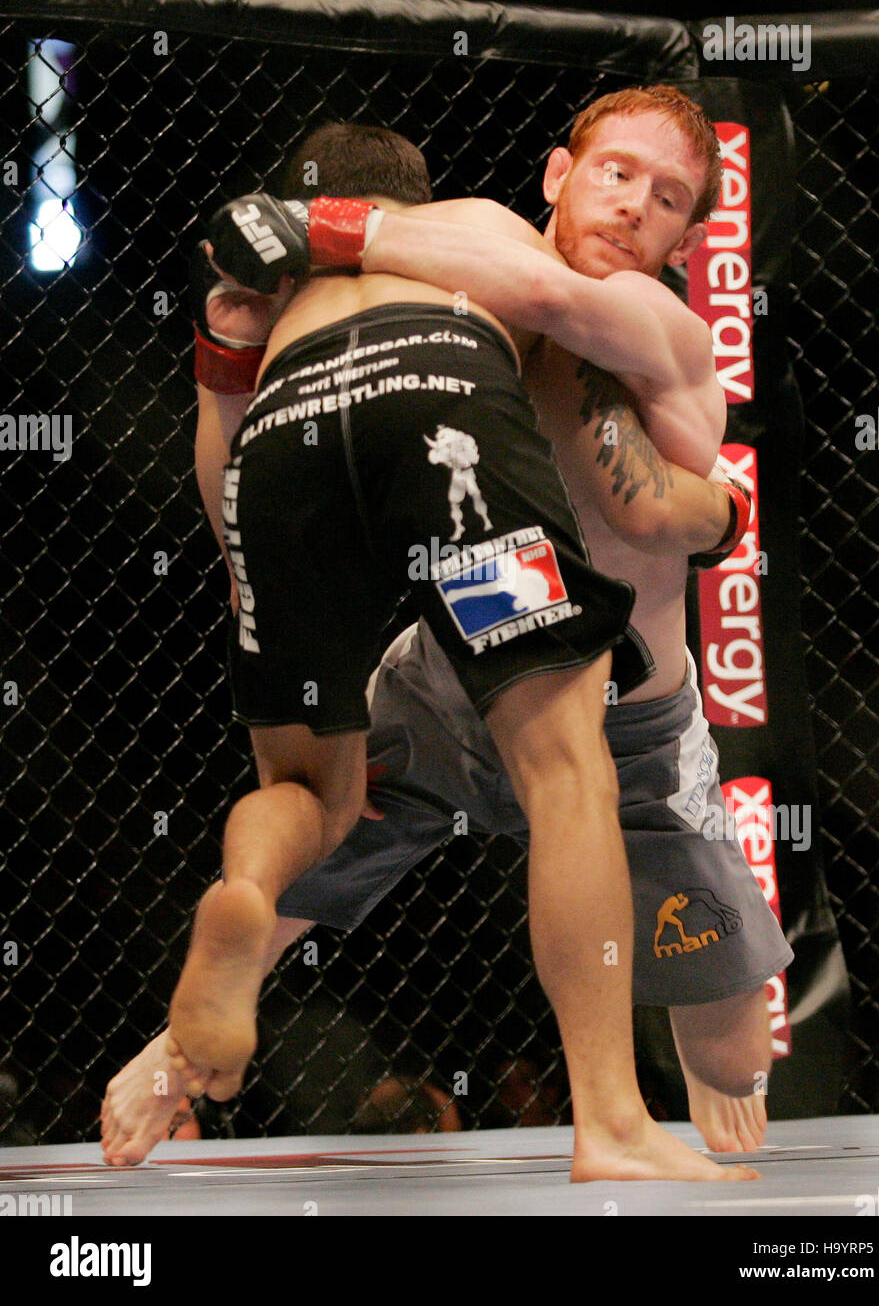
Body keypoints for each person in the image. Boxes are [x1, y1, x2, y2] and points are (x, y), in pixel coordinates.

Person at [101, 107, 769, 1174]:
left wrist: (727, 513)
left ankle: (240, 918)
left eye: (667, 197)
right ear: (558, 174)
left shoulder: (633, 315)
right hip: (460, 656)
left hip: (626, 710)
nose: (632, 206)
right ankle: (607, 1119)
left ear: (689, 237)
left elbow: (648, 505)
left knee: (312, 793)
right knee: (524, 781)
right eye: (616, 173)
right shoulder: (471, 250)